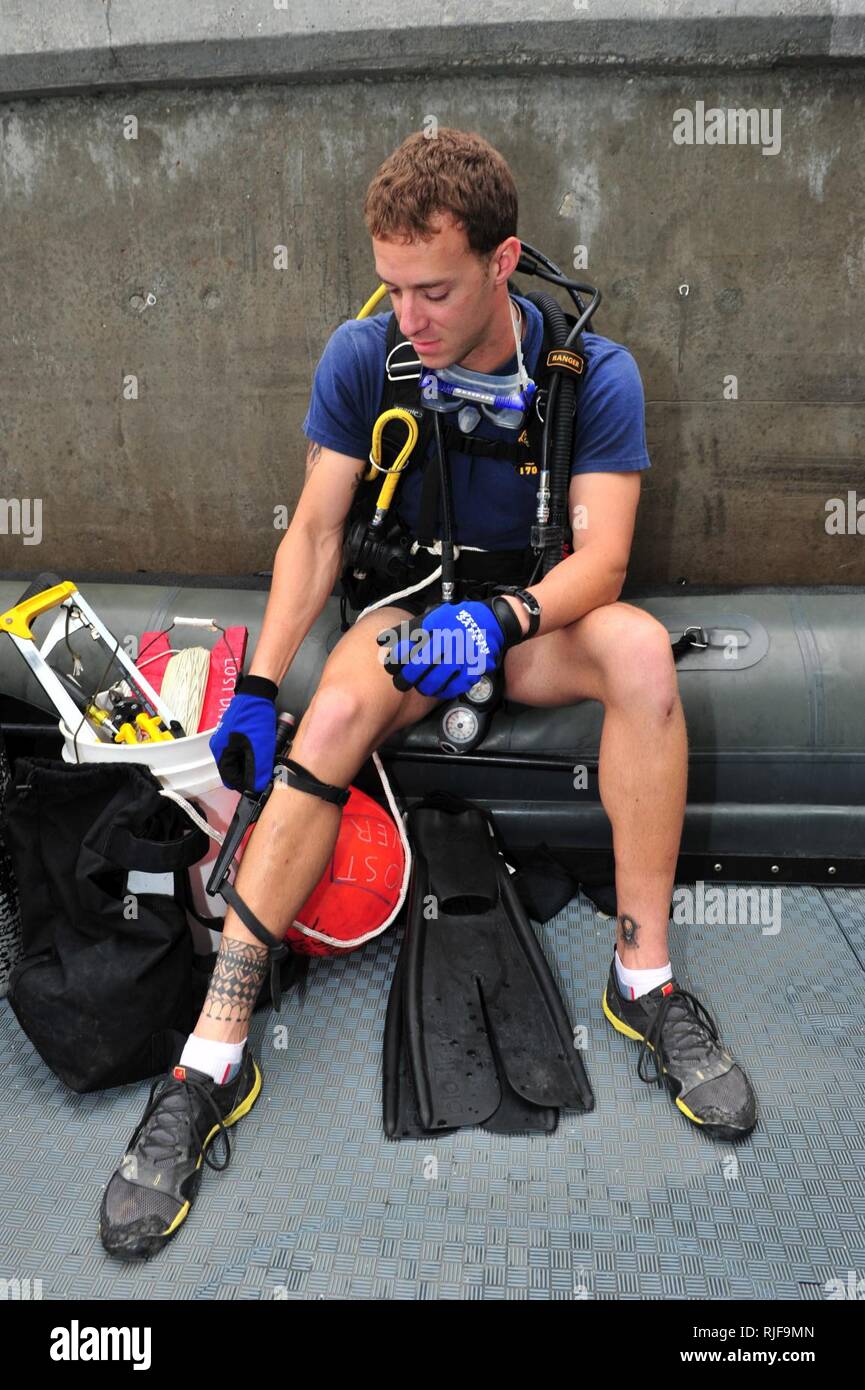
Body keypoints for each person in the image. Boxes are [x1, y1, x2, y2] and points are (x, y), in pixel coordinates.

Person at [99, 128, 756, 1262]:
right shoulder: (365, 357)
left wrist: (499, 619)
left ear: (503, 263)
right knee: (338, 714)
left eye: (435, 290)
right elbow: (313, 530)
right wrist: (259, 684)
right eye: (394, 286)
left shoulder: (592, 374)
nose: (409, 314)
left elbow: (599, 562)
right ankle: (211, 1055)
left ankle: (642, 980)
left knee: (642, 652)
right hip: (406, 620)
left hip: (529, 625)